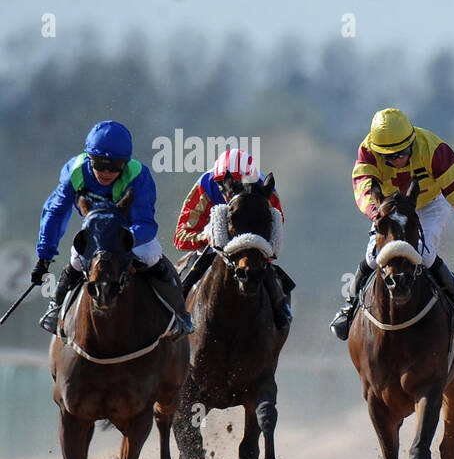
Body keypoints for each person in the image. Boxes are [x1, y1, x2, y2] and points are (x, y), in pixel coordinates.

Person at [330, 108, 454, 340]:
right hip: (389, 209)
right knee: (373, 256)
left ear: (411, 142)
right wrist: (377, 213)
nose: (398, 160)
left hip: (430, 205)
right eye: (389, 157)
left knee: (425, 254)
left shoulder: (432, 148)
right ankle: (350, 307)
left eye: (401, 153)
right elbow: (363, 186)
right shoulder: (367, 151)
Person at [33, 120, 192, 339]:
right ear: (89, 159)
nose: (106, 172)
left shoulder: (138, 175)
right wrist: (44, 257)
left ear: (125, 164)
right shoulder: (75, 172)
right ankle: (56, 308)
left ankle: (181, 315)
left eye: (114, 166)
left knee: (152, 255)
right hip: (95, 235)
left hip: (128, 235)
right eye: (99, 164)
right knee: (76, 261)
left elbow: (146, 223)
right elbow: (55, 212)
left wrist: (124, 239)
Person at [174, 148, 294, 328]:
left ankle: (280, 309)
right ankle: (177, 313)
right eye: (224, 184)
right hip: (212, 249)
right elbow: (180, 237)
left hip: (253, 249)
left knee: (265, 270)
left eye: (240, 183)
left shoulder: (265, 190)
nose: (229, 190)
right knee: (185, 276)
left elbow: (275, 237)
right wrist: (207, 236)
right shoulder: (205, 185)